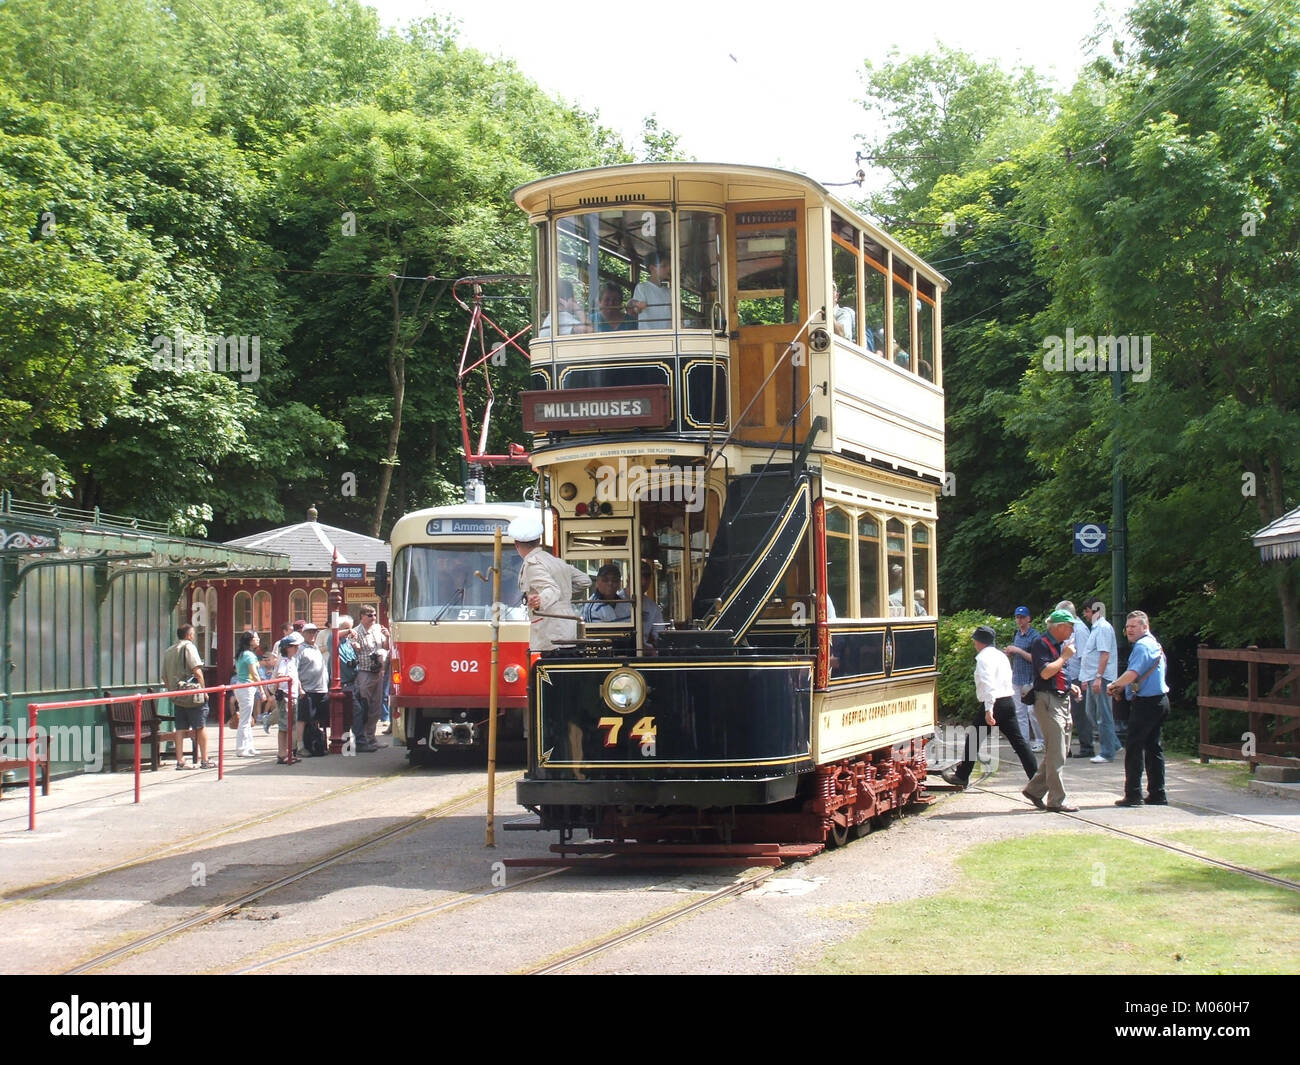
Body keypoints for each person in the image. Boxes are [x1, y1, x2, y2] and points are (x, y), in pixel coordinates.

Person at [942, 625, 1037, 789]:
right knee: (1019, 742)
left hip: (994, 702)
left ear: (980, 641)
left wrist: (989, 709)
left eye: (975, 640)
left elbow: (988, 685)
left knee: (973, 739)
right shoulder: (1001, 656)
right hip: (1007, 701)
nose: (974, 643)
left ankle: (962, 776)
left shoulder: (983, 659)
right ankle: (1036, 778)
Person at [1021, 608, 1083, 812]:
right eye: (1070, 627)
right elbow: (1046, 673)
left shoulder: (1058, 644)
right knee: (1056, 752)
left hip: (1060, 699)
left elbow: (1056, 673)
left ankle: (1034, 790)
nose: (1072, 631)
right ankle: (1056, 800)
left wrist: (1068, 685)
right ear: (1059, 627)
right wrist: (1065, 657)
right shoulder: (1041, 643)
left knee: (1061, 750)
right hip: (1048, 702)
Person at [1107, 611, 1169, 806]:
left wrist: (1113, 685)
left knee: (1134, 747)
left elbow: (1133, 673)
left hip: (1147, 702)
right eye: (1128, 627)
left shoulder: (1142, 646)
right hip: (1159, 701)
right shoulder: (1155, 644)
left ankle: (1133, 794)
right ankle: (1158, 793)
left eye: (1134, 626)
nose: (1130, 630)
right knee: (1153, 747)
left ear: (1145, 627)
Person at [509, 513, 591, 652]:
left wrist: (540, 600)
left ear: (516, 545)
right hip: (569, 627)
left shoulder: (533, 564)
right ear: (539, 540)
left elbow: (552, 589)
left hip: (551, 631)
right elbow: (585, 580)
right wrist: (566, 594)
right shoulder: (556, 561)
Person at [162, 624, 213, 770]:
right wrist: (204, 691)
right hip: (192, 695)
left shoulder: (169, 651)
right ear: (189, 635)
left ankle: (180, 761)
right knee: (200, 726)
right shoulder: (189, 647)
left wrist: (172, 691)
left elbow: (164, 675)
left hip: (177, 695)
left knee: (180, 728)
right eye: (193, 634)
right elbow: (197, 671)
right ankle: (204, 759)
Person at [1079, 598, 1121, 763]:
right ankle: (1114, 743)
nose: (1085, 615)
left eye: (1087, 611)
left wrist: (1098, 677)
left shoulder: (1103, 628)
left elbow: (1105, 654)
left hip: (1101, 678)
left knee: (1103, 715)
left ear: (1094, 611)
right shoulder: (1095, 628)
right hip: (1092, 677)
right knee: (1091, 712)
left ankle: (1107, 752)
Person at [1058, 599, 1095, 757]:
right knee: (1068, 714)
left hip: (1078, 677)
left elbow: (1084, 657)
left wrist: (1084, 680)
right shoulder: (1070, 628)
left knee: (1080, 714)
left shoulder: (1079, 630)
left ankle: (1087, 747)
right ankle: (1067, 748)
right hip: (1069, 676)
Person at [349, 607, 389, 752]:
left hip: (378, 671)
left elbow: (386, 646)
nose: (373, 617)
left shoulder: (378, 629)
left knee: (376, 707)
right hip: (363, 672)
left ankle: (371, 737)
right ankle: (362, 738)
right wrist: (355, 646)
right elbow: (349, 650)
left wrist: (388, 636)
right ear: (361, 616)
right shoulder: (356, 632)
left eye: (374, 615)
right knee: (364, 706)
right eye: (369, 615)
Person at [1005, 606, 1045, 751]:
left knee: (1032, 712)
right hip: (1017, 677)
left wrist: (1018, 651)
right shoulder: (1017, 634)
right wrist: (1010, 652)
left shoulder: (1035, 636)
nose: (1019, 620)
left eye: (1022, 617)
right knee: (1019, 712)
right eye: (1017, 617)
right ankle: (1023, 743)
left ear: (1028, 618)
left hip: (1030, 678)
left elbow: (1036, 658)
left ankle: (1041, 740)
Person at [296, 622, 329, 753]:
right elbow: (294, 670)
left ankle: (316, 744)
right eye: (309, 632)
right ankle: (300, 746)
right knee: (303, 718)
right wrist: (300, 688)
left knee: (318, 719)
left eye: (314, 632)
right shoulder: (300, 649)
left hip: (321, 689)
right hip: (307, 690)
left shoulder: (316, 648)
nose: (312, 635)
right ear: (303, 634)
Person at [273, 632, 303, 763]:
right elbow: (280, 675)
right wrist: (283, 682)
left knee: (291, 725)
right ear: (287, 648)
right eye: (294, 646)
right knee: (284, 726)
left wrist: (300, 688)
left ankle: (288, 752)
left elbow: (295, 677)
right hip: (286, 694)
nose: (296, 648)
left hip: (293, 695)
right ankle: (282, 753)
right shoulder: (284, 661)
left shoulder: (293, 660)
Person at [232, 630, 262, 757]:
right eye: (256, 638)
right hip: (246, 687)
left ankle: (249, 747)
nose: (258, 639)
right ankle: (241, 748)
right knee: (245, 719)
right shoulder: (249, 655)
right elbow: (254, 673)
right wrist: (261, 689)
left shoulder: (242, 654)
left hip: (242, 686)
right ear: (250, 641)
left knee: (248, 717)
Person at [629, 253, 672, 330]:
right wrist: (637, 306)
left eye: (669, 265)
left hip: (668, 336)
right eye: (664, 266)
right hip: (649, 337)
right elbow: (636, 309)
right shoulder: (642, 288)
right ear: (652, 268)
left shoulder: (669, 292)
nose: (669, 268)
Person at [640, 560, 667, 650]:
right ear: (629, 577)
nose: (644, 581)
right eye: (641, 576)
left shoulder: (652, 607)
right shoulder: (619, 601)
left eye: (647, 577)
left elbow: (660, 635)